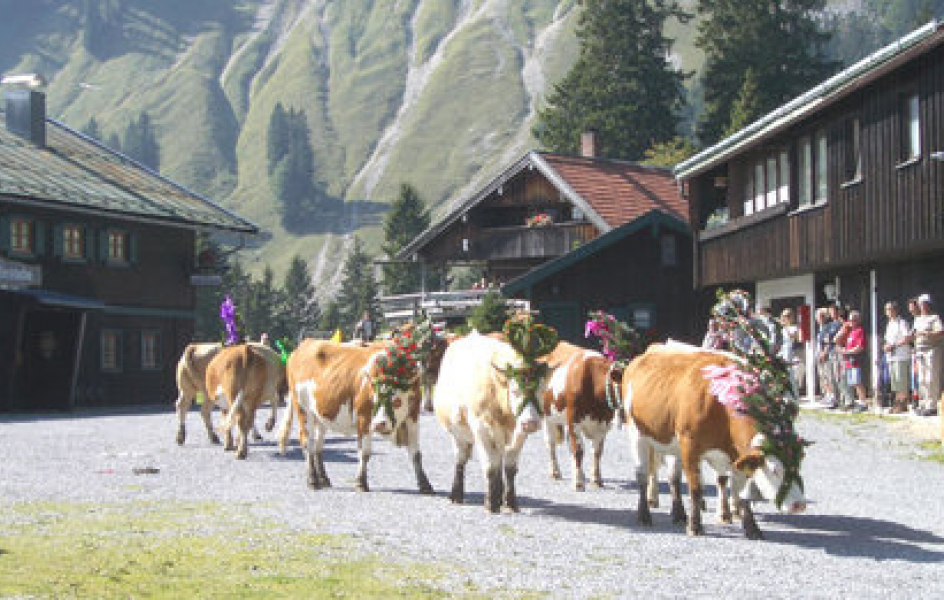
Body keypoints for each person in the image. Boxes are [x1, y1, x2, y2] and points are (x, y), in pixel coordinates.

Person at [912, 294, 944, 416]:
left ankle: (933, 405)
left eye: (925, 303)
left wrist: (926, 333)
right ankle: (924, 403)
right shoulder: (918, 319)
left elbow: (941, 331)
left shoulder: (934, 318)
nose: (923, 306)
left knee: (931, 377)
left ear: (929, 304)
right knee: (922, 379)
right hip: (920, 350)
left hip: (932, 349)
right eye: (921, 304)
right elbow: (914, 335)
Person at [882, 301, 912, 414]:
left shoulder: (902, 323)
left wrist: (893, 345)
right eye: (887, 310)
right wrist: (885, 346)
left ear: (895, 310)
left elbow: (907, 338)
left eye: (890, 309)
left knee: (901, 380)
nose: (888, 312)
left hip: (901, 355)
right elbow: (887, 339)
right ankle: (898, 402)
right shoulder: (890, 324)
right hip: (891, 357)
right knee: (894, 381)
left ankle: (903, 403)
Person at [838, 310, 868, 412]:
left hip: (856, 360)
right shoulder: (850, 332)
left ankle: (863, 403)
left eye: (854, 320)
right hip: (849, 361)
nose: (851, 322)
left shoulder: (860, 331)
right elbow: (837, 340)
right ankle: (857, 402)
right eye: (850, 320)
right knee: (853, 383)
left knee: (857, 382)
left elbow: (860, 347)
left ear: (858, 320)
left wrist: (847, 351)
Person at [779, 308, 804, 399]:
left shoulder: (795, 328)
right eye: (785, 316)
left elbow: (796, 339)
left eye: (789, 316)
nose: (787, 318)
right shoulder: (781, 329)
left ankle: (795, 396)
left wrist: (788, 331)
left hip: (793, 354)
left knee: (793, 376)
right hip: (783, 353)